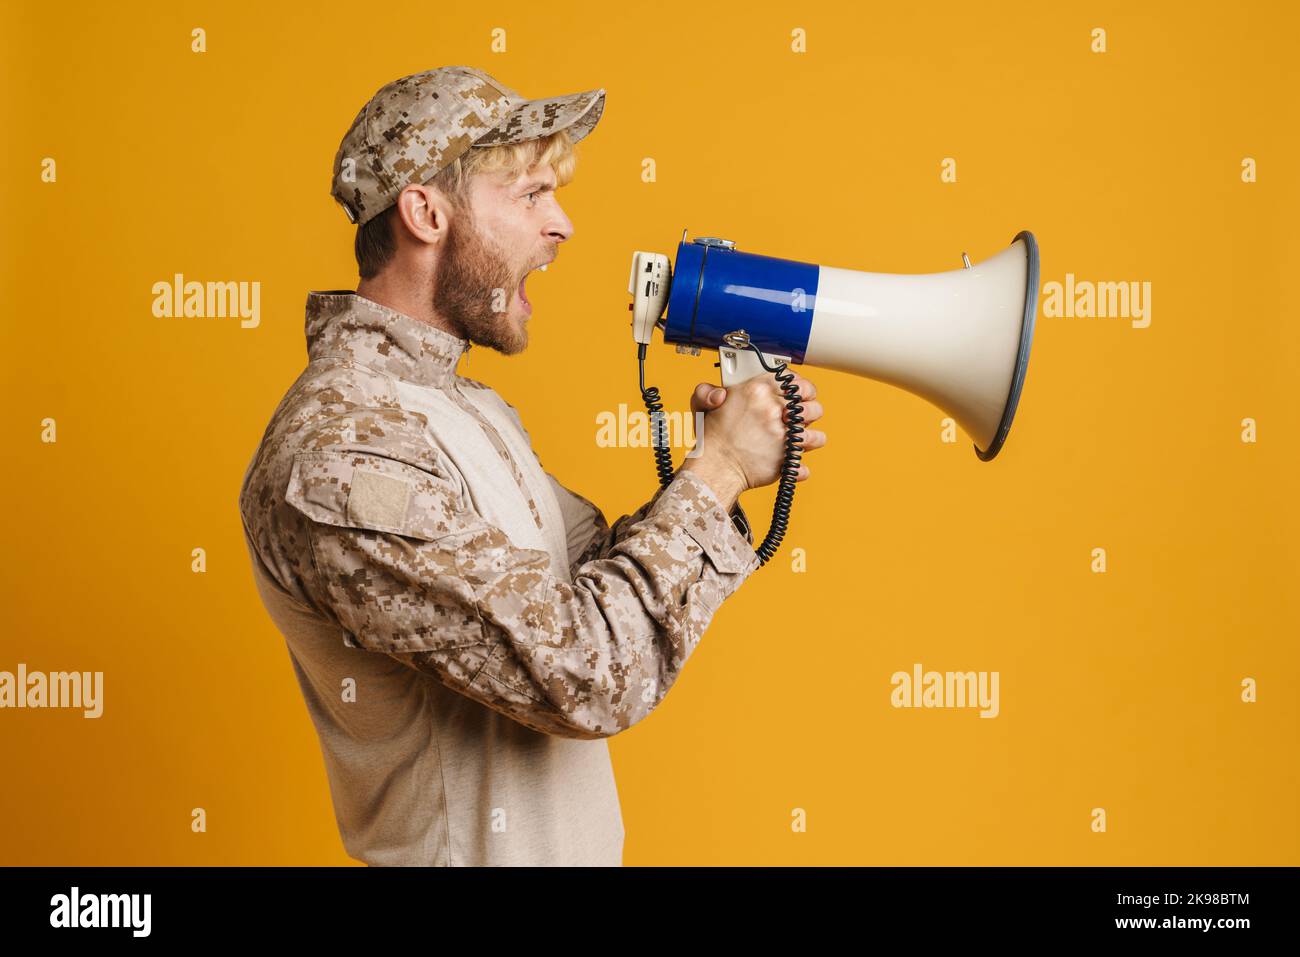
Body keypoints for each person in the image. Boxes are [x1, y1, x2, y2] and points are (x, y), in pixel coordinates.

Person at [237, 65, 827, 866]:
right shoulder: (341, 449)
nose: (563, 226)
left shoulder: (468, 410)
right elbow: (591, 671)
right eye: (530, 194)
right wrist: (714, 474)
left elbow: (606, 590)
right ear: (425, 211)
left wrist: (720, 464)